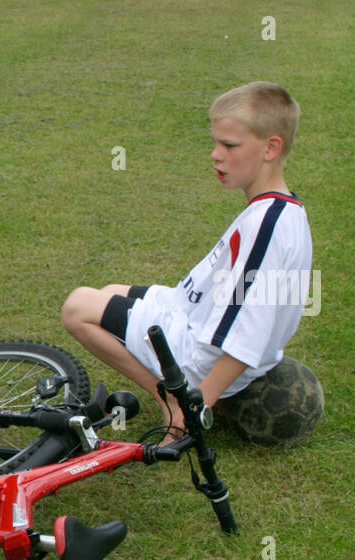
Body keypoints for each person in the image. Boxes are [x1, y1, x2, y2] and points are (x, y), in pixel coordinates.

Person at [61, 82, 312, 434]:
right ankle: (179, 394)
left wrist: (200, 402)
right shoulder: (283, 210)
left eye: (229, 145)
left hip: (195, 356)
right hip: (189, 314)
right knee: (111, 290)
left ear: (271, 148)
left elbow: (247, 337)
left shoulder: (267, 225)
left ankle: (173, 401)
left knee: (77, 306)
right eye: (215, 143)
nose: (215, 154)